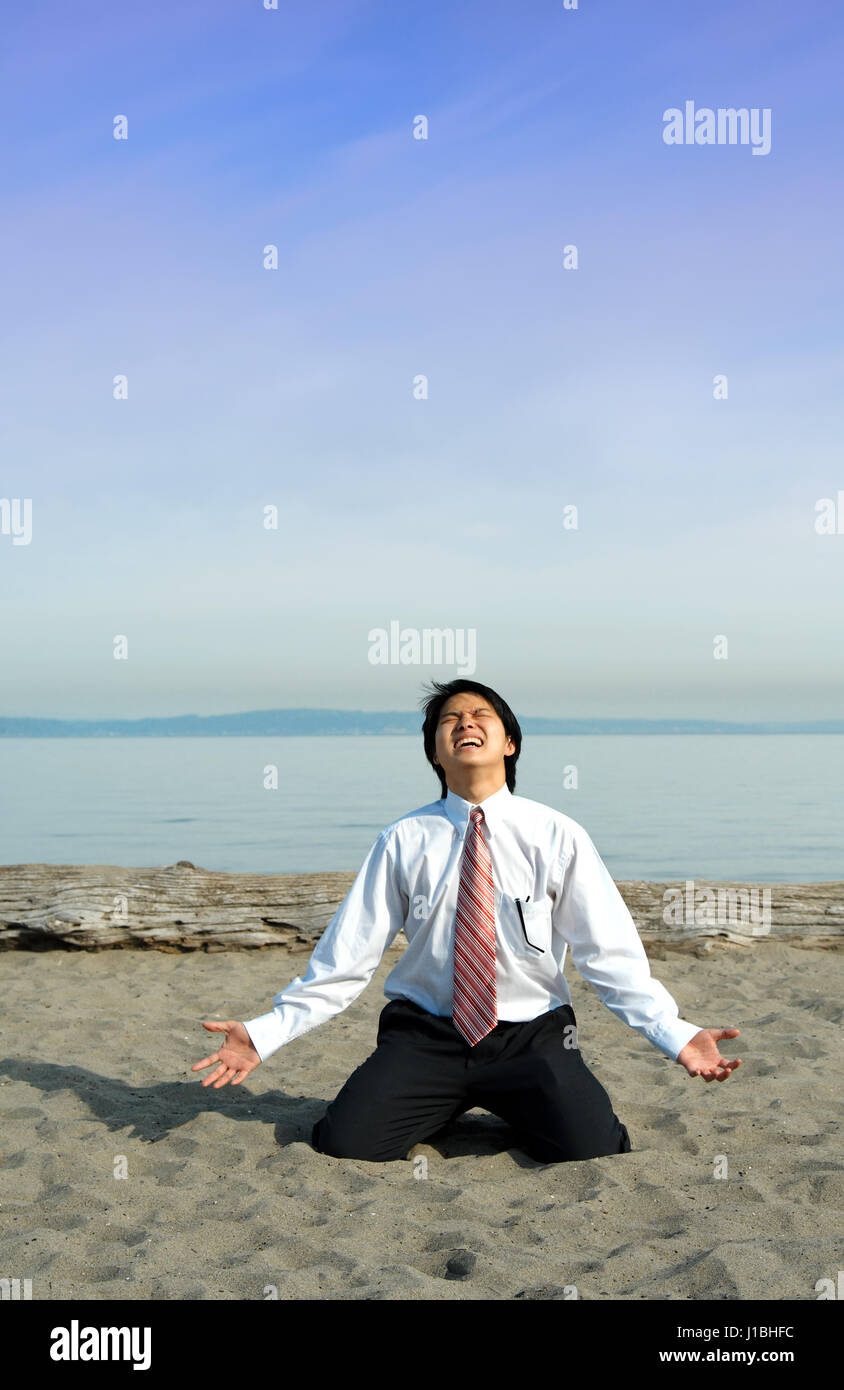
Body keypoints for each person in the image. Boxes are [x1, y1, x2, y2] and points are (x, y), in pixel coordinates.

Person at [192, 680, 741, 1163]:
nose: (465, 724)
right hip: (426, 1036)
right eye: (449, 720)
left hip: (535, 1037)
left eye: (481, 716)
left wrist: (676, 1035)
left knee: (591, 1149)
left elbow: (609, 955)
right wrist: (263, 1034)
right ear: (435, 752)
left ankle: (508, 1102)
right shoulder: (403, 839)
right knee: (345, 1145)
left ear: (510, 743)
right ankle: (440, 1103)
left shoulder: (558, 835)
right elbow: (346, 960)